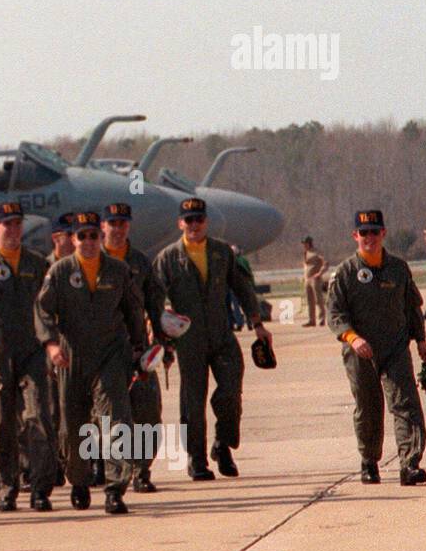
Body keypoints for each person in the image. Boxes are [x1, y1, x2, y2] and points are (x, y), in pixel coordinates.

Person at [150, 198, 269, 480]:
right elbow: (153, 299)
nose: (194, 225)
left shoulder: (221, 253)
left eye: (199, 220)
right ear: (180, 223)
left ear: (206, 222)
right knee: (192, 400)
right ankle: (197, 459)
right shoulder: (168, 258)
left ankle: (223, 444)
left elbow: (242, 287)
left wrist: (257, 323)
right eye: (188, 220)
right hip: (189, 340)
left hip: (221, 334)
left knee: (230, 391)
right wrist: (160, 334)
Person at [35, 213, 145, 514]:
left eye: (93, 236)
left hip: (110, 354)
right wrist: (52, 344)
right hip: (71, 357)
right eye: (81, 236)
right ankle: (79, 480)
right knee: (73, 427)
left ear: (101, 238)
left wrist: (139, 349)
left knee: (115, 420)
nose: (88, 242)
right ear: (73, 240)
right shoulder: (59, 272)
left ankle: (114, 488)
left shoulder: (118, 271)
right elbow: (43, 311)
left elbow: (133, 310)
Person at [0, 202, 58, 512]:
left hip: (31, 352)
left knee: (39, 417)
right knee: (2, 424)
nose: (14, 230)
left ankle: (41, 488)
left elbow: (47, 307)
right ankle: (7, 485)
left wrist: (52, 343)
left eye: (17, 224)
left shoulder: (37, 265)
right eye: (8, 225)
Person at [326, 210, 426, 484]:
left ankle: (409, 463)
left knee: (405, 402)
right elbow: (335, 314)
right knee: (368, 407)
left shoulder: (398, 268)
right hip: (360, 351)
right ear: (355, 236)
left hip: (395, 347)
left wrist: (420, 339)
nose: (369, 238)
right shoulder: (345, 273)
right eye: (364, 233)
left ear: (383, 233)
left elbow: (412, 307)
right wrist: (352, 338)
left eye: (375, 232)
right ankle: (369, 461)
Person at [102, 202, 166, 493]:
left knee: (148, 410)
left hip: (138, 347)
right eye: (112, 224)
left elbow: (155, 304)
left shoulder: (140, 262)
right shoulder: (91, 260)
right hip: (102, 350)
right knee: (108, 414)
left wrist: (164, 346)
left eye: (122, 224)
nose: (117, 229)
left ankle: (142, 469)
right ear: (103, 226)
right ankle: (111, 470)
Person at [301, 236, 328, 327]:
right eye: (303, 244)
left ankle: (321, 319)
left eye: (305, 243)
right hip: (307, 279)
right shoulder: (305, 253)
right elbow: (306, 266)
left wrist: (320, 273)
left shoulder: (316, 252)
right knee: (310, 300)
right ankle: (311, 320)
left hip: (315, 279)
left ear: (309, 243)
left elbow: (326, 263)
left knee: (318, 299)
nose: (304, 245)